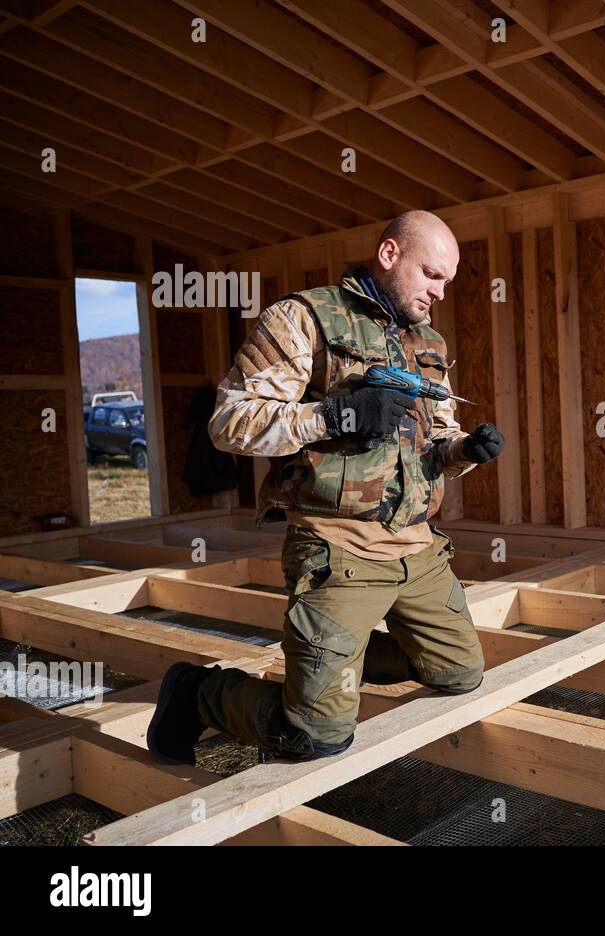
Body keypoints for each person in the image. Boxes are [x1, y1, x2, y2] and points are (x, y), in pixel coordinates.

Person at [146, 210, 504, 764]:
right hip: (339, 551)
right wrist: (334, 417)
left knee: (458, 674)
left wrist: (464, 451)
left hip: (418, 549)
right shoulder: (303, 319)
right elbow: (229, 423)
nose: (439, 292)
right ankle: (201, 695)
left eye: (446, 282)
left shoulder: (426, 341)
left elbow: (437, 437)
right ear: (390, 255)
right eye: (431, 275)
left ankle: (334, 658)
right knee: (316, 737)